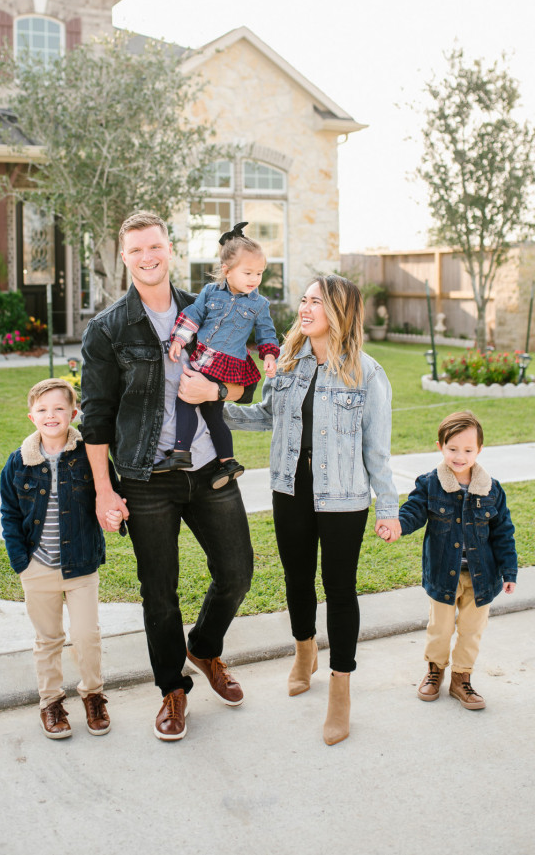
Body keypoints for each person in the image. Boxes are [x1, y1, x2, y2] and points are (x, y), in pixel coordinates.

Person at [80, 211, 255, 742]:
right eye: (136, 250)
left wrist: (217, 392)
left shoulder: (212, 309)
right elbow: (95, 417)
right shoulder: (108, 329)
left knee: (238, 571)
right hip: (145, 478)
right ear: (125, 257)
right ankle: (172, 689)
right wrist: (105, 490)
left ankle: (203, 647)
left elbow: (246, 380)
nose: (147, 257)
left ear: (170, 248)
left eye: (154, 246)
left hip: (208, 469)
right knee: (159, 591)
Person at [224, 274, 400, 745]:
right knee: (296, 578)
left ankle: (340, 689)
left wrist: (388, 507)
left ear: (339, 311)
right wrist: (217, 405)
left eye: (315, 301)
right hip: (290, 488)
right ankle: (304, 651)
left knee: (339, 589)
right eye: (303, 300)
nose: (305, 308)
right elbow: (265, 416)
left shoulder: (367, 373)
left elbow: (377, 451)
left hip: (343, 496)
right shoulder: (288, 365)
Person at [0, 378, 120, 739]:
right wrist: (21, 560)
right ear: (31, 417)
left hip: (81, 563)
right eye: (42, 410)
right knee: (48, 638)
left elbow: (109, 492)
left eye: (58, 408)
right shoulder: (19, 462)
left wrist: (115, 515)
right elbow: (9, 513)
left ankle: (93, 695)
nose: (51, 415)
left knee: (86, 636)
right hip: (37, 567)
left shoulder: (89, 454)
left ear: (73, 413)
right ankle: (50, 702)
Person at [378, 411, 518, 709]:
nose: (459, 456)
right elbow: (413, 511)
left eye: (468, 450)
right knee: (439, 629)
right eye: (452, 448)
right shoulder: (431, 484)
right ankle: (434, 670)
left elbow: (503, 532)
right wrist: (397, 526)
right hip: (444, 573)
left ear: (479, 450)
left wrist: (509, 572)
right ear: (440, 446)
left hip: (482, 578)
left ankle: (461, 679)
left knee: (471, 631)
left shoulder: (492, 490)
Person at [159, 221, 280, 489]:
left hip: (226, 365)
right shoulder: (211, 293)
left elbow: (267, 334)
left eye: (259, 273)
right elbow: (193, 315)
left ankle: (181, 452)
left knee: (186, 399)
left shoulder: (259, 305)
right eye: (248, 272)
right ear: (227, 270)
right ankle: (228, 461)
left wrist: (269, 355)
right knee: (215, 415)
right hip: (202, 356)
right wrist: (179, 338)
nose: (254, 279)